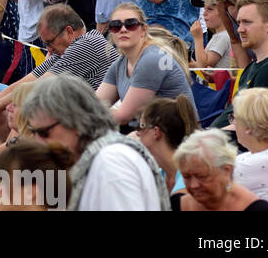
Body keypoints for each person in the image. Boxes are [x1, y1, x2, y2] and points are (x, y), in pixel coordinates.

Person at [0, 4, 116, 144]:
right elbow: (22, 84)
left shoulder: (87, 44)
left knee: (18, 113)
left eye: (49, 42)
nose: (48, 49)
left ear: (69, 31)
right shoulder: (63, 50)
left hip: (93, 128)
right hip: (75, 120)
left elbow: (35, 88)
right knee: (7, 112)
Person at [20, 73, 168, 211]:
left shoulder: (111, 162)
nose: (37, 141)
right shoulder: (93, 157)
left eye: (43, 132)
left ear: (75, 122)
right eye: (33, 132)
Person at [95, 4, 196, 126]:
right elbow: (94, 104)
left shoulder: (151, 59)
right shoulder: (120, 63)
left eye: (130, 24)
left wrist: (90, 114)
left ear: (143, 30)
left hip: (177, 138)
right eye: (116, 26)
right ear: (111, 31)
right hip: (148, 134)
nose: (123, 29)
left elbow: (123, 116)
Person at [213, 0, 268, 128]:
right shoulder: (255, 65)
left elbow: (251, 126)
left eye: (247, 22)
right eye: (239, 22)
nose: (240, 29)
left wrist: (206, 138)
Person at [173, 129, 268, 211]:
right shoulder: (176, 205)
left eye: (202, 177)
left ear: (226, 170)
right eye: (186, 177)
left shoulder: (256, 209)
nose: (193, 185)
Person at [137, 95, 200, 194]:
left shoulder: (191, 180)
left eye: (141, 126)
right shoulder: (159, 175)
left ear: (156, 132)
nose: (137, 133)